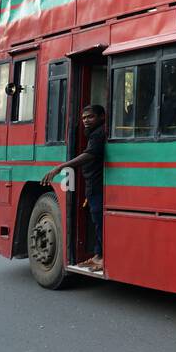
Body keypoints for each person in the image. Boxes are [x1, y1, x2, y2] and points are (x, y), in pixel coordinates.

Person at [41, 105, 107, 272]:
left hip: (97, 185)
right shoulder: (94, 133)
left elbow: (90, 155)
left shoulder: (99, 133)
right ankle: (98, 255)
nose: (86, 120)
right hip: (93, 183)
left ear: (101, 117)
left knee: (99, 221)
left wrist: (60, 167)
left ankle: (102, 257)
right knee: (96, 219)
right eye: (84, 117)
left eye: (90, 117)